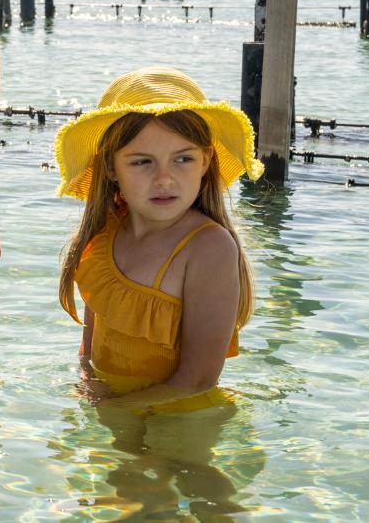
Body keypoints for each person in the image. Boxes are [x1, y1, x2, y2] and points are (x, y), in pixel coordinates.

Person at [55, 66, 263, 414]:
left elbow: (198, 380)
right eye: (141, 162)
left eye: (183, 158)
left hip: (181, 420)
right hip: (115, 411)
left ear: (205, 161)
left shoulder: (207, 248)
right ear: (110, 167)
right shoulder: (106, 232)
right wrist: (88, 391)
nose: (164, 178)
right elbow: (89, 346)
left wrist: (119, 410)